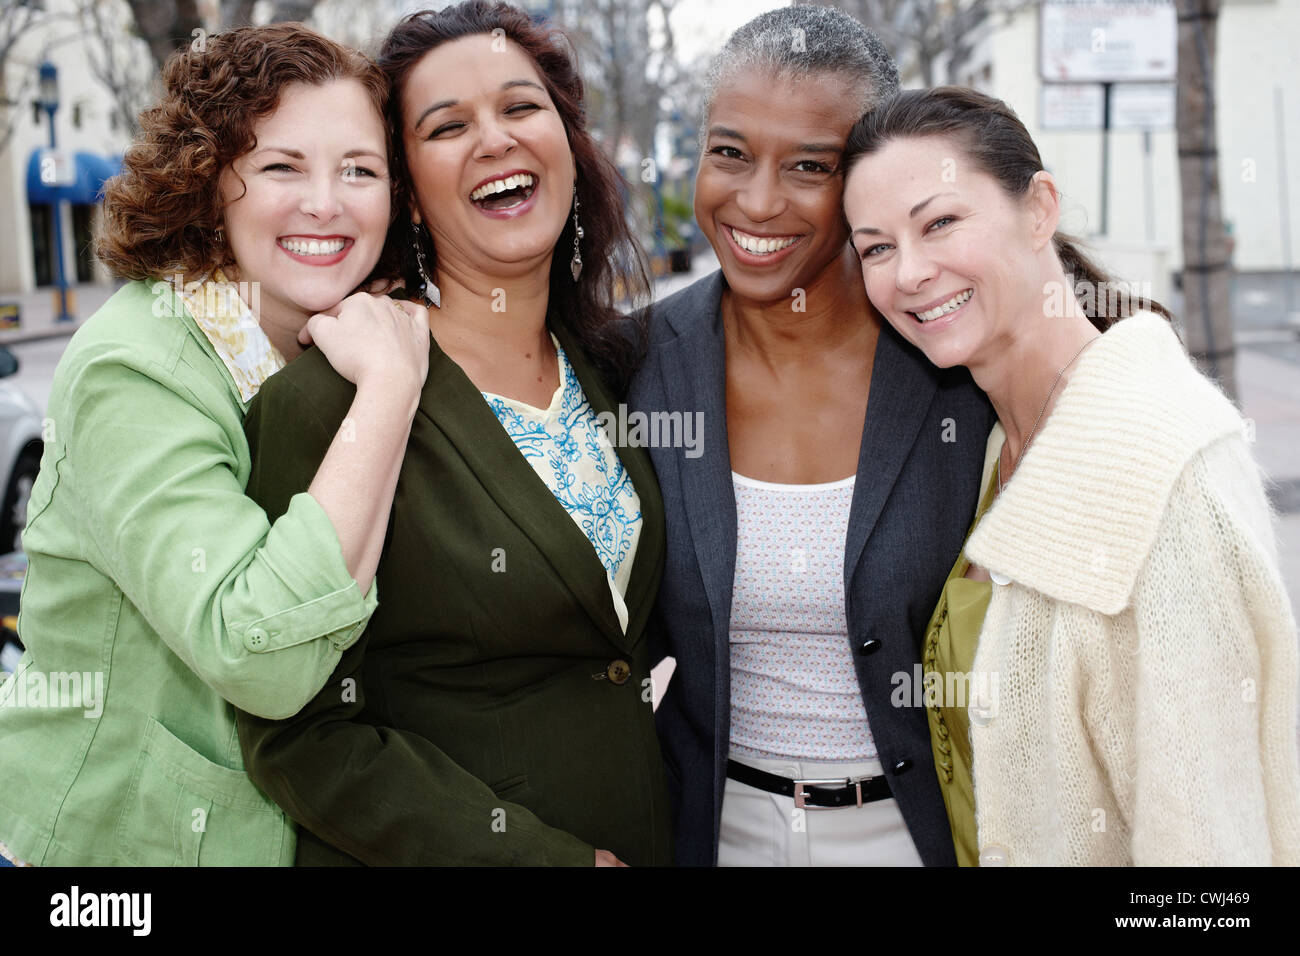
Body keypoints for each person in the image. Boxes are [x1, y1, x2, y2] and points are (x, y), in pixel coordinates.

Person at [234, 1, 670, 867]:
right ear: (411, 194)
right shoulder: (335, 402)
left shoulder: (612, 371)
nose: (496, 139)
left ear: (568, 148)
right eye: (447, 126)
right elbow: (300, 739)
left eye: (520, 107)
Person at [0, 24, 431, 867]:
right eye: (281, 166)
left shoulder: (332, 333)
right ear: (207, 184)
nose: (326, 201)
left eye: (361, 169)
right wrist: (388, 390)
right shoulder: (135, 365)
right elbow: (259, 652)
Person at [842, 86, 1300, 866]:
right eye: (876, 247)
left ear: (1039, 208)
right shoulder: (998, 442)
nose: (910, 272)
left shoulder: (1167, 474)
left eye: (941, 222)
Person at [628, 6, 996, 867]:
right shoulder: (639, 364)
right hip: (714, 833)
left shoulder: (955, 364)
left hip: (924, 836)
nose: (757, 200)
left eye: (809, 166)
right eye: (730, 152)